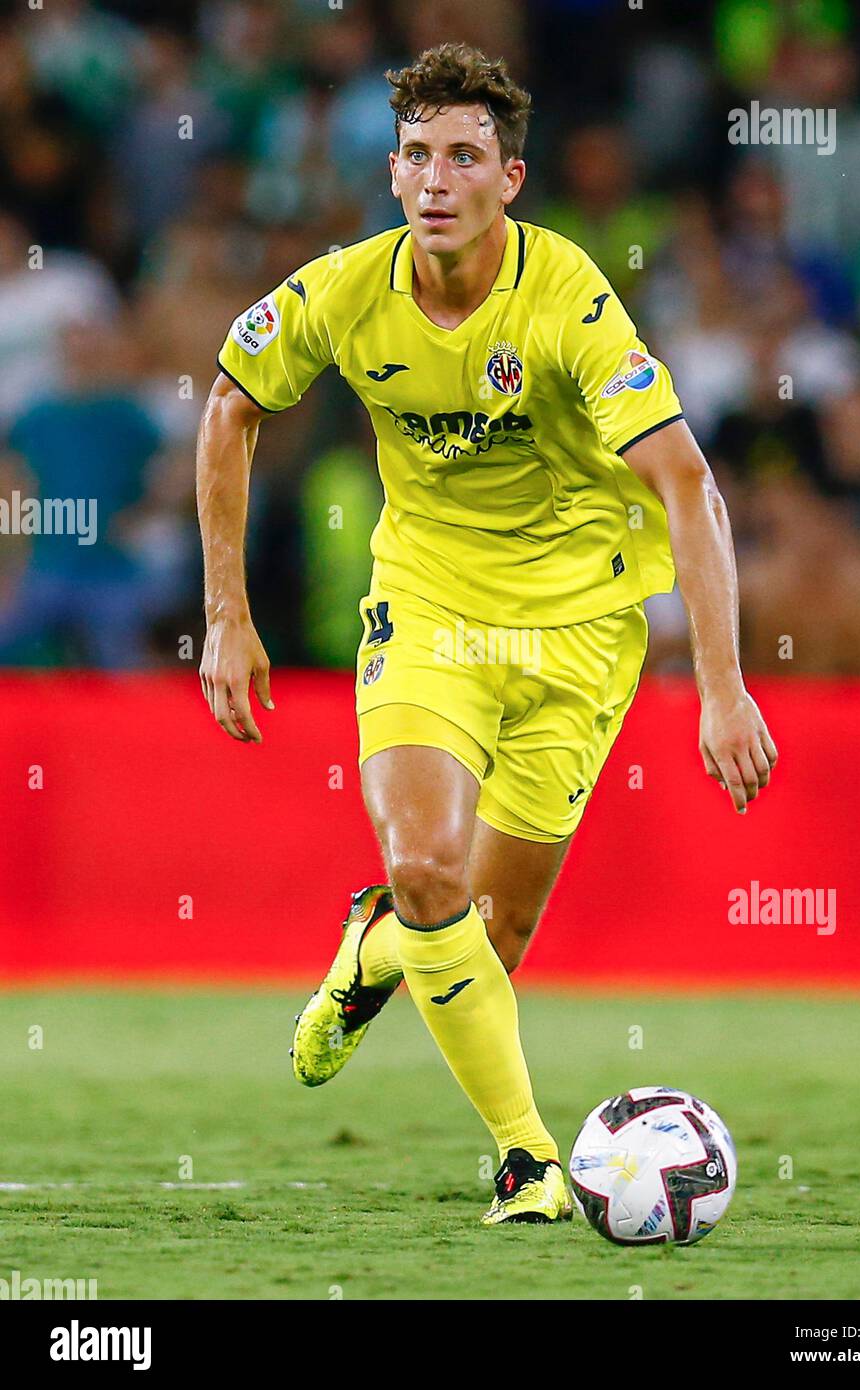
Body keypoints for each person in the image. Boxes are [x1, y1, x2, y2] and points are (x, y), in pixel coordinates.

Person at [196, 43, 777, 1227]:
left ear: (511, 178)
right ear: (394, 171)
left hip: (582, 627)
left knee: (488, 935)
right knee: (427, 872)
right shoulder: (345, 288)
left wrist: (721, 683)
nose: (435, 180)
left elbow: (689, 486)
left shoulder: (567, 298)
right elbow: (229, 404)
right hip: (432, 608)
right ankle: (527, 1159)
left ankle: (373, 955)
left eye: (464, 158)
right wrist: (226, 613)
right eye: (416, 156)